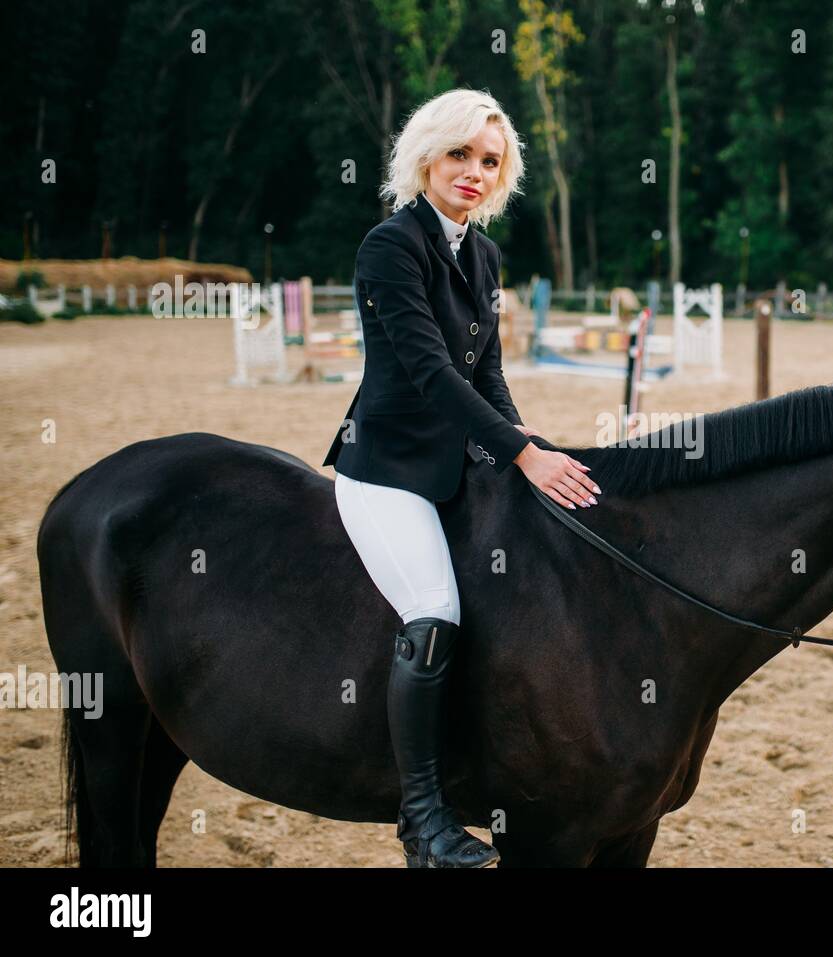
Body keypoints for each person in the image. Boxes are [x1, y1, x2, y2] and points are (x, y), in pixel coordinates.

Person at [322, 88, 600, 868]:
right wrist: (518, 451)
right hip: (386, 471)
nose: (474, 172)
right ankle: (423, 821)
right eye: (459, 155)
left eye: (489, 160)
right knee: (436, 608)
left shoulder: (483, 253)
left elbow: (489, 374)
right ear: (426, 156)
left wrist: (531, 450)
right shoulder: (390, 245)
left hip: (461, 462)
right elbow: (435, 374)